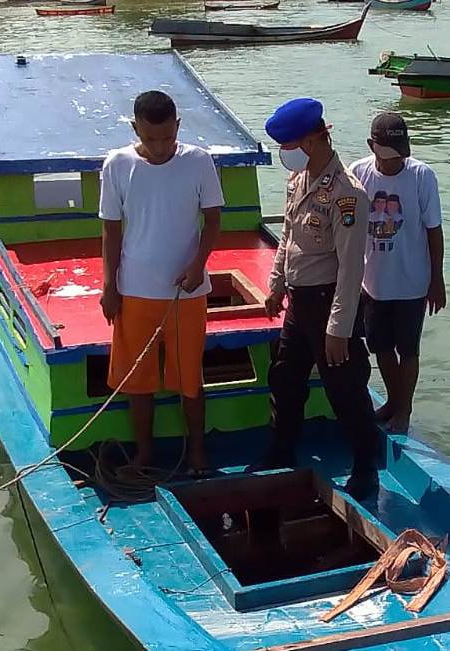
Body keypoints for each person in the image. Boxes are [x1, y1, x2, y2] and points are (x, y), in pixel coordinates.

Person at [251, 97, 379, 500]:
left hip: (330, 304)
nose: (285, 156)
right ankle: (282, 448)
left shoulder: (347, 195)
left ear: (309, 142)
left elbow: (350, 268)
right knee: (285, 378)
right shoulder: (299, 181)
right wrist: (276, 284)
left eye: (288, 147)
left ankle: (365, 466)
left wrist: (338, 329)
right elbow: (288, 239)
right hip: (298, 303)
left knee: (345, 389)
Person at [98, 90, 223, 474]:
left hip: (187, 292)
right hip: (135, 291)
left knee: (190, 378)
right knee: (138, 380)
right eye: (151, 138)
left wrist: (199, 265)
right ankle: (145, 454)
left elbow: (213, 219)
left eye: (168, 138)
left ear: (178, 128)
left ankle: (198, 452)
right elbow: (111, 229)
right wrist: (109, 287)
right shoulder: (117, 164)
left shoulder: (199, 161)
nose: (160, 146)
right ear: (136, 128)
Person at [350, 112, 445, 433]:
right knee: (379, 346)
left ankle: (404, 410)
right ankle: (392, 400)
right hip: (372, 281)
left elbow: (434, 230)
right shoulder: (359, 173)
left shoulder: (422, 176)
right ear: (371, 146)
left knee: (408, 349)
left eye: (399, 155)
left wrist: (437, 280)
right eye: (387, 156)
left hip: (412, 282)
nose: (394, 163)